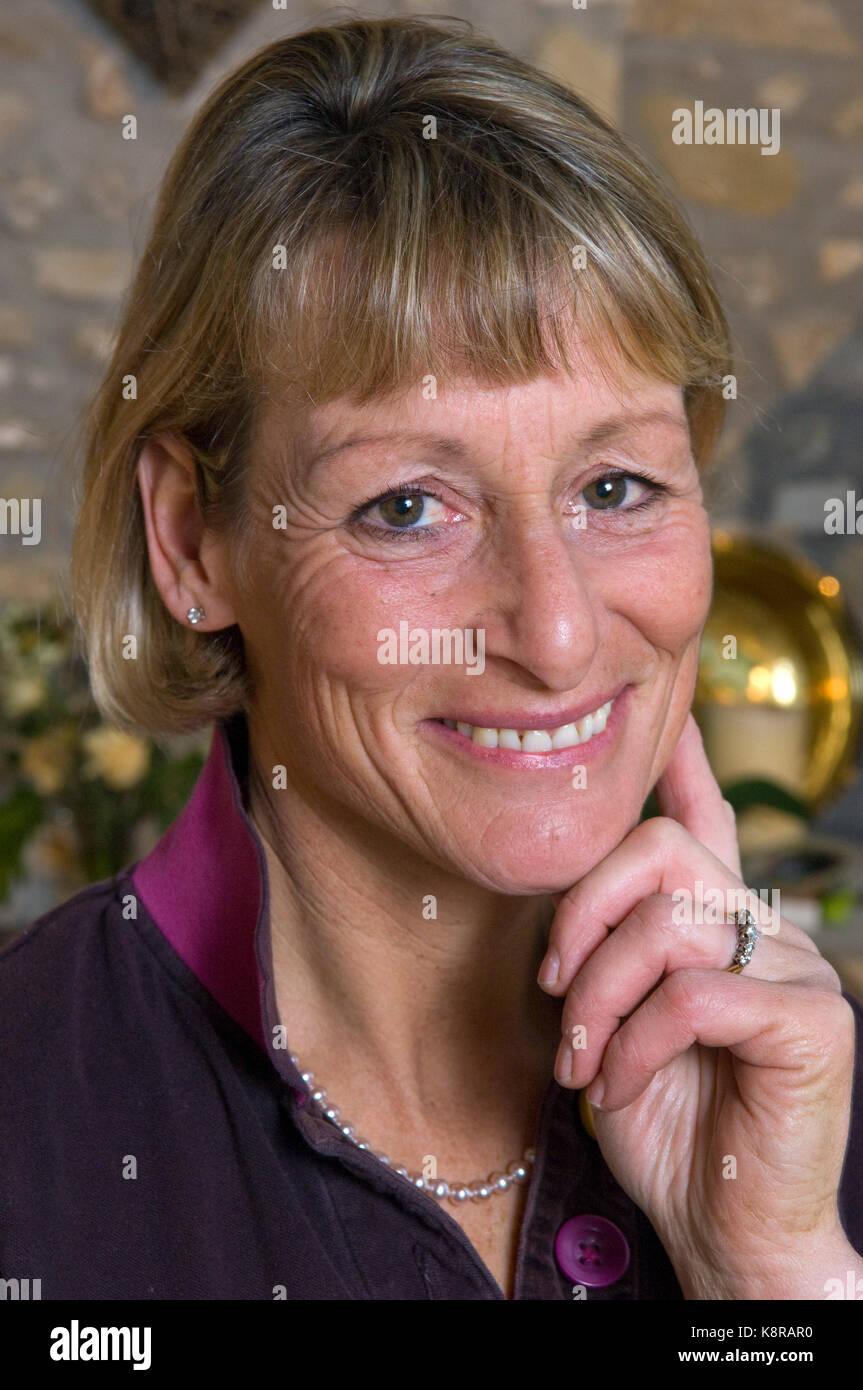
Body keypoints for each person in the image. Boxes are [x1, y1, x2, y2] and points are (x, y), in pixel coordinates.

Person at [1, 15, 861, 1301]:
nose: (557, 631)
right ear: (192, 541)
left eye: (615, 485)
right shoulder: (34, 1133)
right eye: (406, 506)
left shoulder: (806, 1089)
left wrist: (774, 1278)